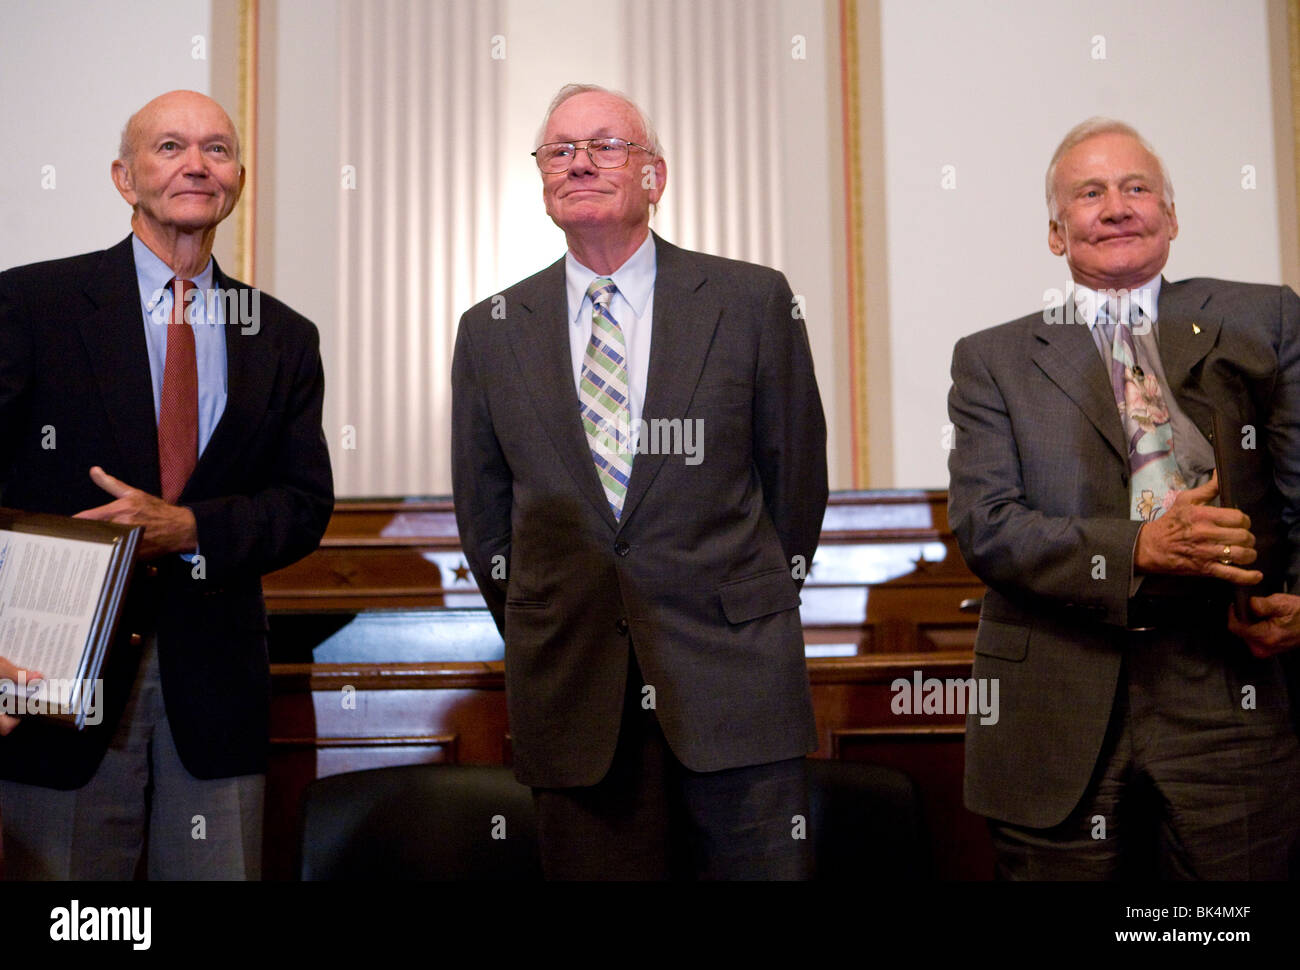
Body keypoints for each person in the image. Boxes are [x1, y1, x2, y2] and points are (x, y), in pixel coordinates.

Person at [451, 83, 827, 879]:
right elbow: (487, 520)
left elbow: (795, 483)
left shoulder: (751, 300)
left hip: (736, 688)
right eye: (560, 150)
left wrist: (744, 601)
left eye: (606, 145)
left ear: (654, 176)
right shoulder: (489, 331)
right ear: (543, 180)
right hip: (575, 695)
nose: (580, 162)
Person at [947, 117, 1300, 879]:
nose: (1116, 207)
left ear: (1170, 218)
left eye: (1137, 188)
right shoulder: (992, 360)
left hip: (1224, 688)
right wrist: (1137, 548)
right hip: (1056, 696)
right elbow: (987, 525)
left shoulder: (1261, 320)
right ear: (1055, 233)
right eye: (1090, 193)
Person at [0, 90, 333, 879]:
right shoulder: (29, 305)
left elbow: (303, 505)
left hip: (216, 698)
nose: (196, 165)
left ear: (239, 179)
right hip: (52, 686)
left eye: (216, 149)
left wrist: (191, 529)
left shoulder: (282, 334)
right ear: (125, 177)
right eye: (170, 147)